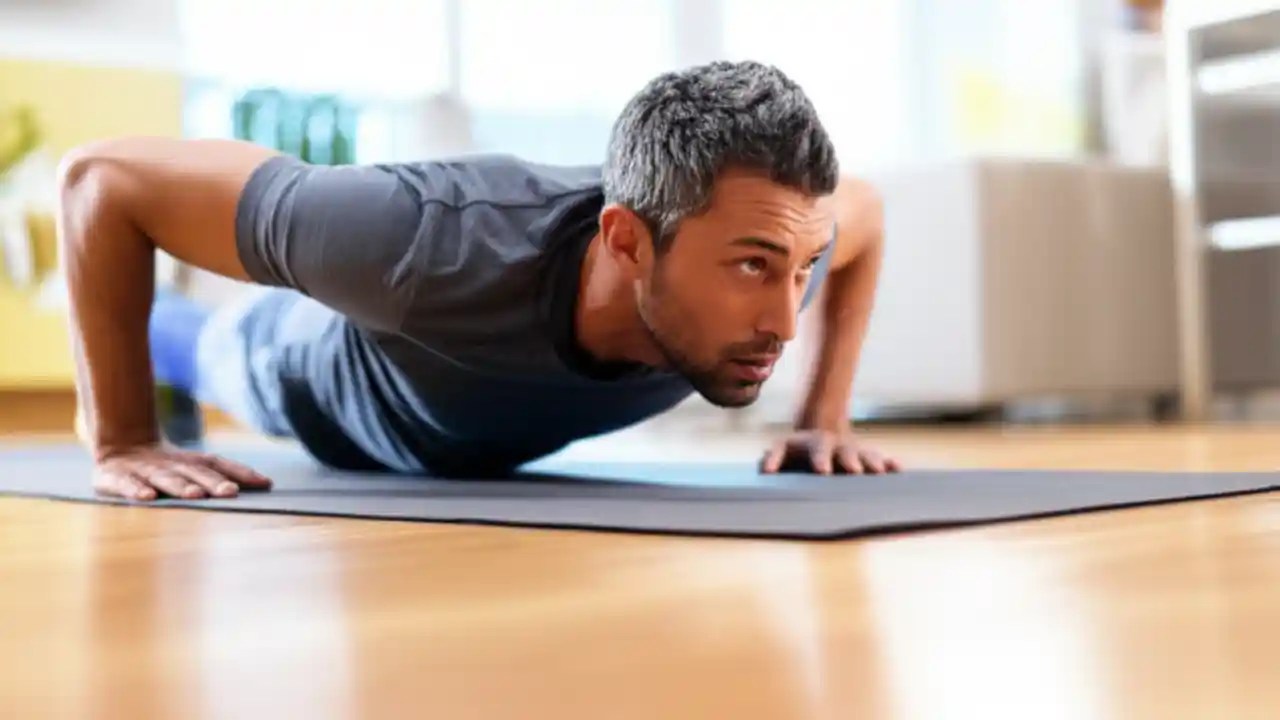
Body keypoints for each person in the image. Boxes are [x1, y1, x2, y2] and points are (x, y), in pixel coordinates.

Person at [58, 60, 900, 503]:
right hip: (318, 384)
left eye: (800, 269)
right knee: (203, 344)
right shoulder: (419, 237)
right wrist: (123, 440)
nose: (785, 323)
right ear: (628, 241)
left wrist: (823, 418)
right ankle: (71, 288)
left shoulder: (787, 231)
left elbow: (864, 217)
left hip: (470, 424)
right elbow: (103, 182)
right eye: (754, 268)